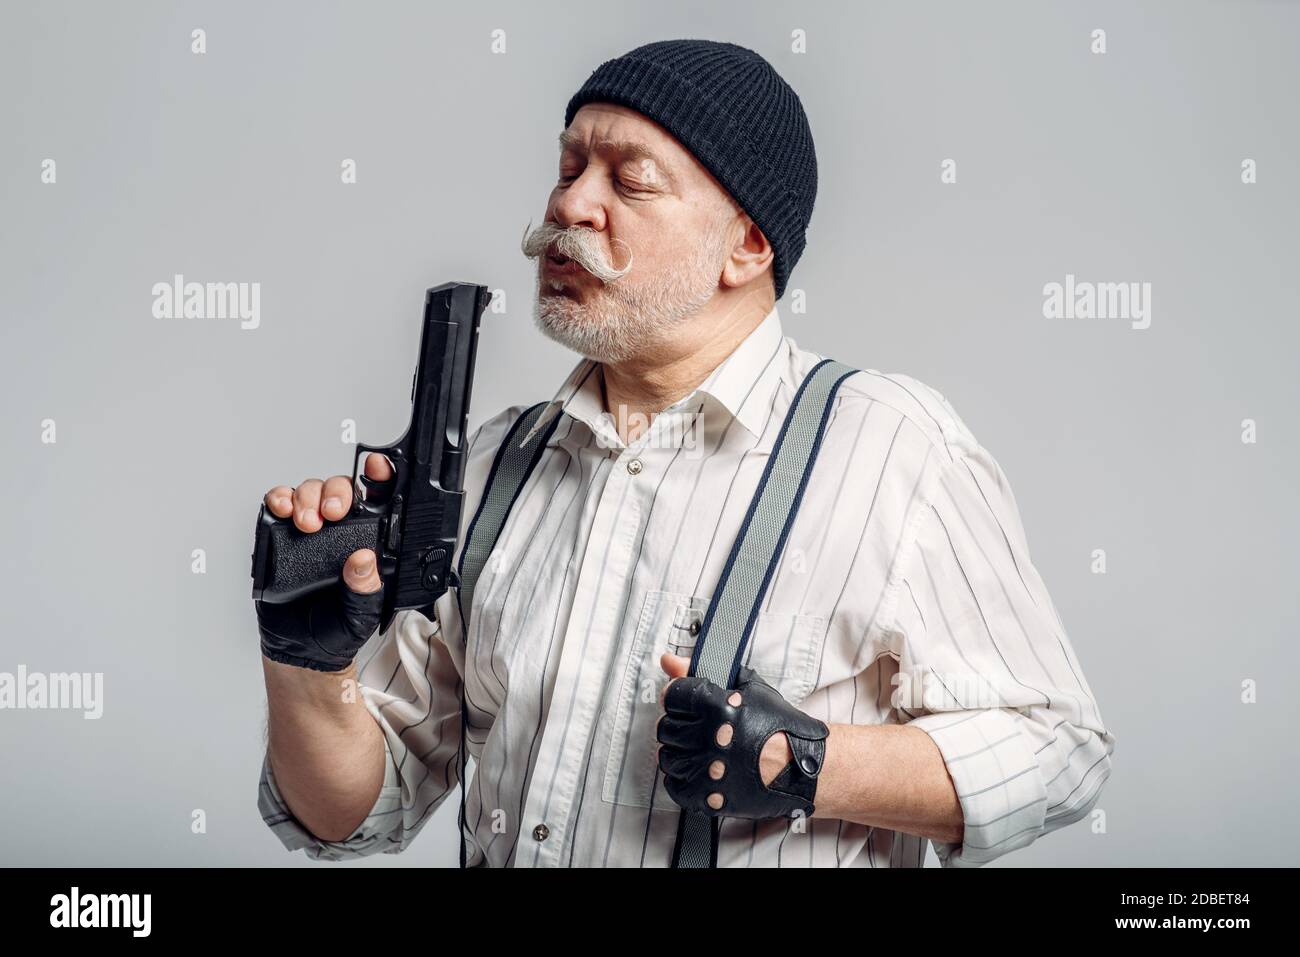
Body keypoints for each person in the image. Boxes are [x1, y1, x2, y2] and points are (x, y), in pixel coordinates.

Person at [255, 39, 1115, 868]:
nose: (570, 206)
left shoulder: (894, 448)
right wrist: (306, 668)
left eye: (630, 180)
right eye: (567, 169)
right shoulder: (493, 465)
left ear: (747, 244)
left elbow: (1057, 746)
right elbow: (351, 815)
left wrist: (809, 761)